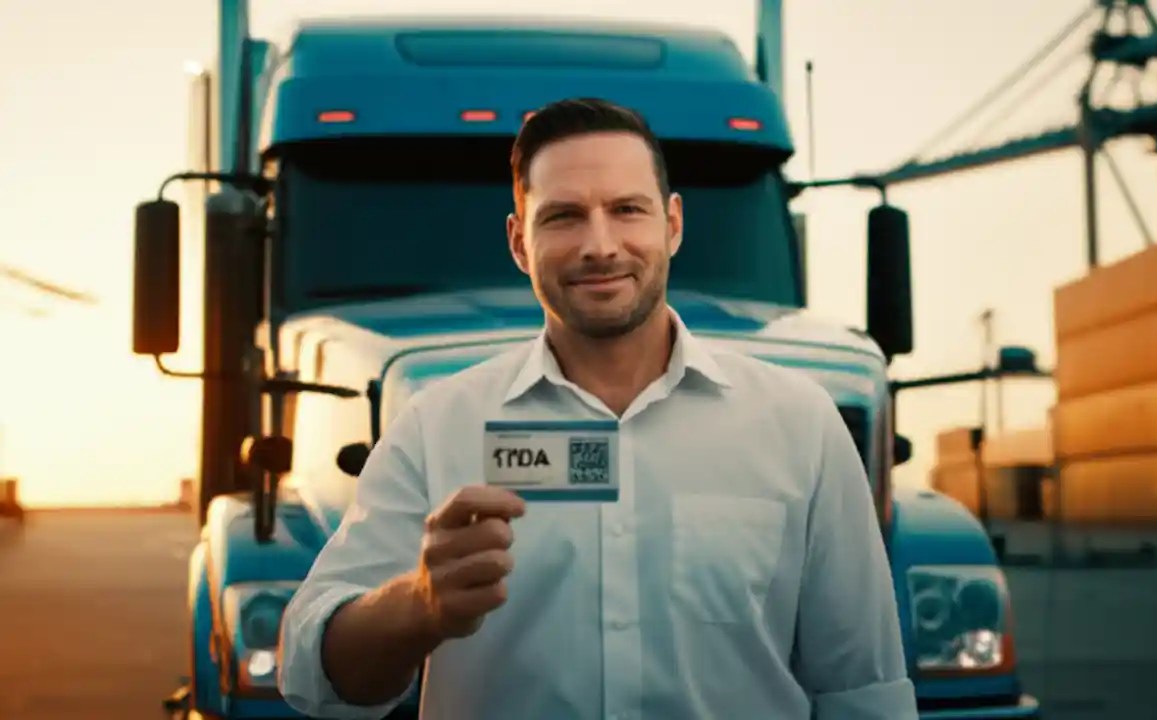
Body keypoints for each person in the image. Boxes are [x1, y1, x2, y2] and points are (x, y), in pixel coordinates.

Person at [278, 97, 917, 719]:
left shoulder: (801, 425)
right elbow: (311, 675)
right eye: (563, 217)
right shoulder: (435, 426)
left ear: (673, 223)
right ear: (518, 242)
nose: (600, 245)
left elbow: (863, 689)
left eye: (627, 210)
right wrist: (418, 604)